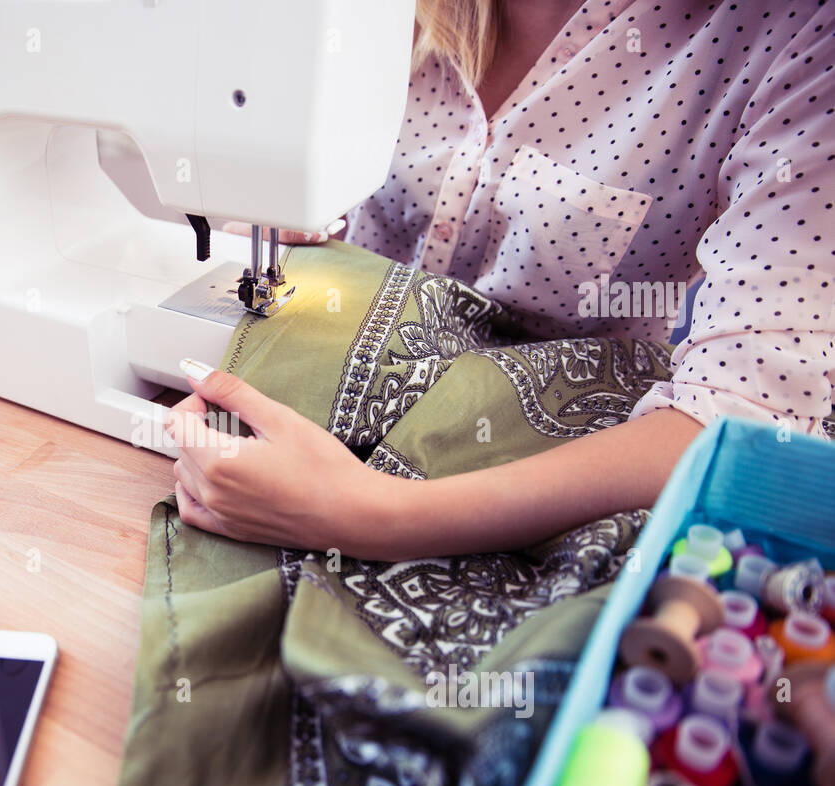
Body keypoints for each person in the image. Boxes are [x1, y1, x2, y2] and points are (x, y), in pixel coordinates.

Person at [168, 0, 834, 562]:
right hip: (325, 408)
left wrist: (375, 518)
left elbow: (741, 424)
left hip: (541, 479)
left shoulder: (797, 33)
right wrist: (286, 212)